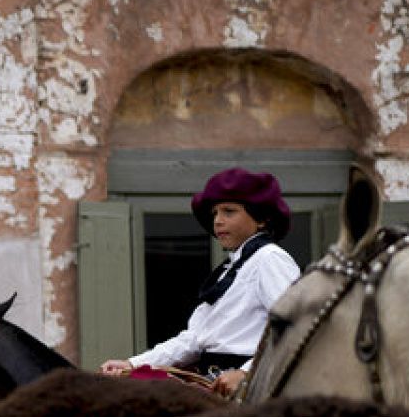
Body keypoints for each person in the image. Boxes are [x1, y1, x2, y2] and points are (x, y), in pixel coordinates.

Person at [100, 167, 300, 398]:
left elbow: (294, 329)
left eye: (229, 212)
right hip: (213, 383)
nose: (218, 221)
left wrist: (247, 373)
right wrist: (133, 364)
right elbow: (193, 339)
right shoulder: (230, 269)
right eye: (215, 213)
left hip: (252, 390)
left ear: (262, 219)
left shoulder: (270, 258)